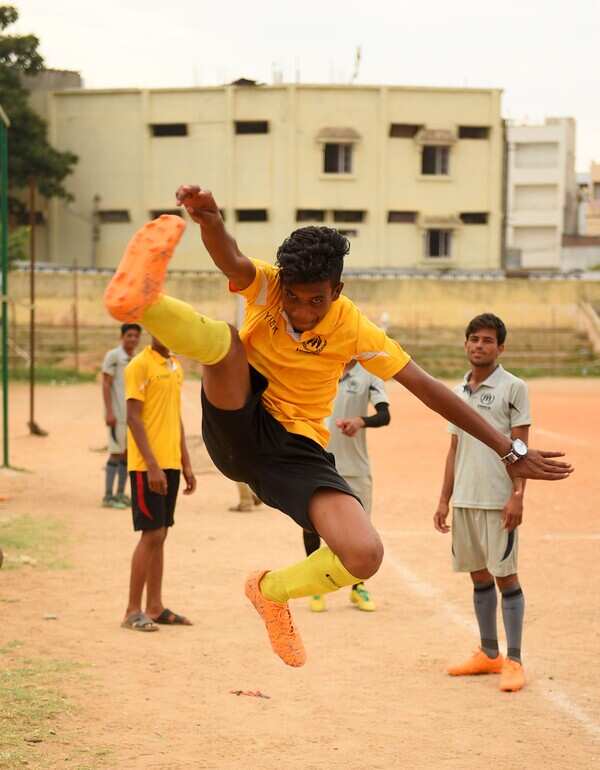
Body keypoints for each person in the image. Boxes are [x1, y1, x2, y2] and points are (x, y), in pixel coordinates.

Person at [104, 186, 571, 666]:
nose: (303, 313)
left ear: (338, 292)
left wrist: (508, 449)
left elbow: (427, 387)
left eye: (316, 301)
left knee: (364, 554)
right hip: (239, 418)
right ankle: (143, 302)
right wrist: (210, 221)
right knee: (225, 342)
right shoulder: (267, 287)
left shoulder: (354, 328)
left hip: (297, 449)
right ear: (281, 283)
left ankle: (270, 591)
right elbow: (233, 262)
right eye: (294, 298)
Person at [434, 314, 530, 692]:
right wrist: (444, 499)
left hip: (497, 500)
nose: (479, 345)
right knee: (477, 575)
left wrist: (517, 495)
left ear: (500, 348)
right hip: (465, 501)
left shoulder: (514, 388)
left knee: (506, 577)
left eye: (487, 340)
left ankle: (515, 660)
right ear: (465, 344)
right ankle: (489, 653)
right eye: (473, 339)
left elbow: (521, 448)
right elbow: (454, 447)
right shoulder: (457, 393)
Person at [121, 335, 197, 632]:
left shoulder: (175, 365)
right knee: (151, 534)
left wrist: (186, 462)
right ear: (152, 330)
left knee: (161, 533)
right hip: (146, 466)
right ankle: (131, 610)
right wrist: (152, 466)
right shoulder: (139, 366)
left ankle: (155, 606)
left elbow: (175, 417)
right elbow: (133, 418)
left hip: (170, 463)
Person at [303, 359, 390, 613]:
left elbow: (384, 415)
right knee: (310, 524)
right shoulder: (319, 366)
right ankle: (315, 585)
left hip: (356, 467)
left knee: (360, 530)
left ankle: (358, 587)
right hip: (318, 461)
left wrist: (361, 421)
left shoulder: (370, 375)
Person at [101, 323, 141, 509]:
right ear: (122, 337)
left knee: (127, 454)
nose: (132, 339)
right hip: (117, 415)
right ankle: (108, 496)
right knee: (115, 453)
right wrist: (109, 412)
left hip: (131, 417)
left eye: (135, 336)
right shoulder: (114, 357)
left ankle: (120, 493)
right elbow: (106, 384)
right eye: (129, 335)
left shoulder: (137, 359)